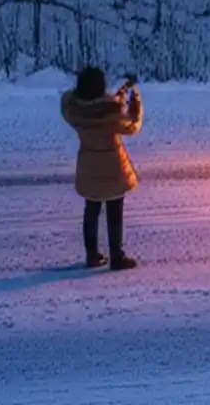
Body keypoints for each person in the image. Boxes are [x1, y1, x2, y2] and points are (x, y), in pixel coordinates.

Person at [60, 67, 142, 271]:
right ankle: (117, 256)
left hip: (89, 164)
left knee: (91, 209)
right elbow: (131, 125)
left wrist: (120, 92)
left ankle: (92, 255)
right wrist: (135, 100)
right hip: (113, 167)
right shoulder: (111, 111)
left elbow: (93, 105)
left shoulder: (75, 110)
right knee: (115, 212)